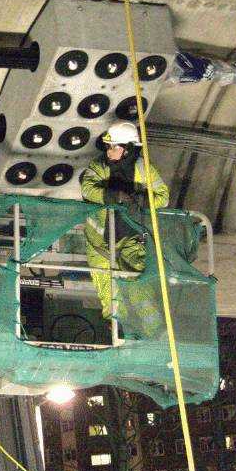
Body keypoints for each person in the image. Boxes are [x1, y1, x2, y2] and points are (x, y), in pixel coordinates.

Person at [80, 122, 169, 338]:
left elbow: (163, 198)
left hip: (131, 239)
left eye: (115, 147)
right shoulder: (98, 166)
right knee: (108, 289)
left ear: (129, 148)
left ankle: (157, 334)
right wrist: (115, 197)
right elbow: (88, 189)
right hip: (99, 242)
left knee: (138, 287)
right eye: (109, 147)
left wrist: (143, 200)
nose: (109, 152)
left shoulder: (144, 168)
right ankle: (118, 332)